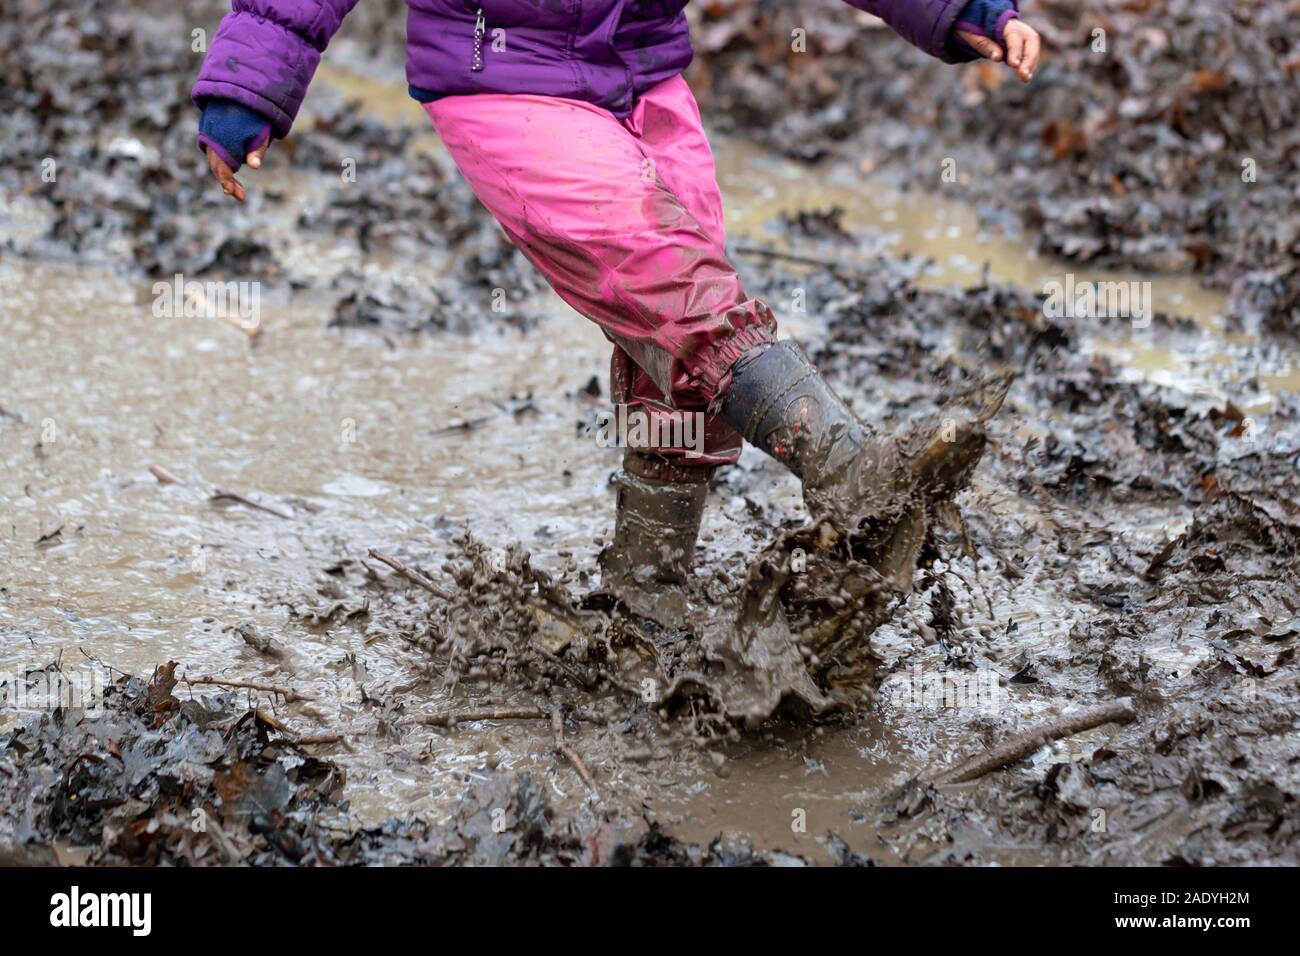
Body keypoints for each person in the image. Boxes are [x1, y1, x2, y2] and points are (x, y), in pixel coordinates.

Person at [192, 1, 1041, 623]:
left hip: (642, 77)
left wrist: (957, 8)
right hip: (501, 77)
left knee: (681, 332)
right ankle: (853, 472)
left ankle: (646, 602)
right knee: (669, 277)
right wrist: (250, 86)